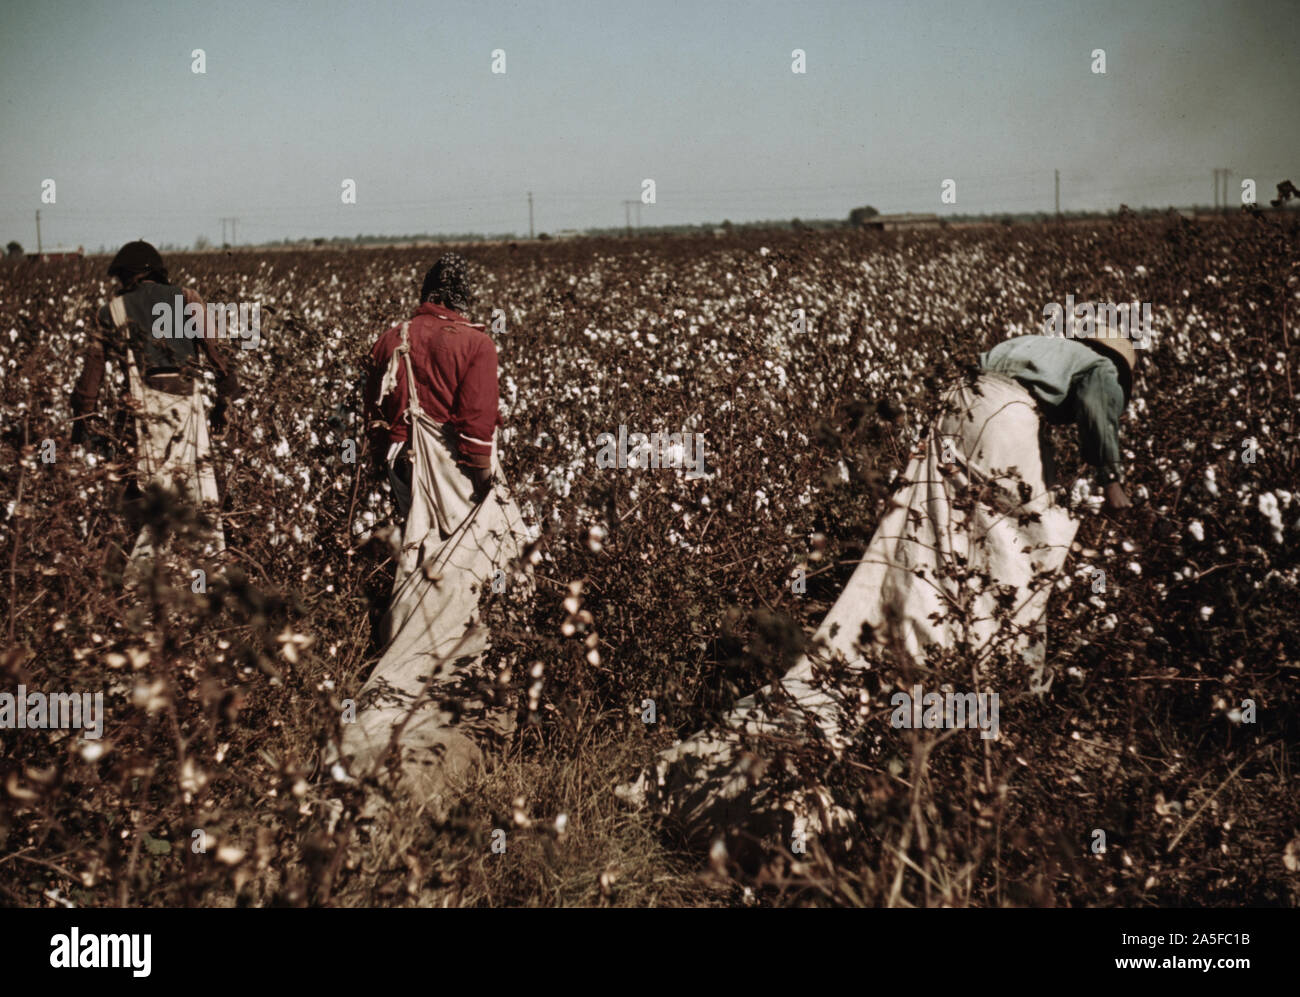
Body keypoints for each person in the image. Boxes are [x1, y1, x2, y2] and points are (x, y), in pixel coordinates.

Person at [620, 307, 1141, 854]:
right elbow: (1098, 411)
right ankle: (993, 670)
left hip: (956, 411)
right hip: (1005, 420)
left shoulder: (1037, 348)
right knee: (1024, 545)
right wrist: (1114, 486)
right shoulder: (1098, 366)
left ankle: (947, 656)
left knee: (938, 541)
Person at [343, 254, 532, 817]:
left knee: (418, 555)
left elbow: (375, 419)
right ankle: (463, 661)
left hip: (407, 471)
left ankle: (403, 647)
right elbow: (477, 434)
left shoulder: (391, 339)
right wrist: (482, 488)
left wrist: (395, 465)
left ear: (426, 292)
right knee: (482, 558)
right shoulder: (475, 344)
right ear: (463, 297)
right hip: (455, 477)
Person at [71, 240, 240, 561]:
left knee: (141, 507)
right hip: (189, 416)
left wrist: (82, 429)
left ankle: (139, 581)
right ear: (158, 274)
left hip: (140, 423)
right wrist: (224, 404)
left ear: (126, 277)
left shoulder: (112, 311)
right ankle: (200, 578)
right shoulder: (188, 300)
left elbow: (88, 387)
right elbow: (223, 361)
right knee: (199, 499)